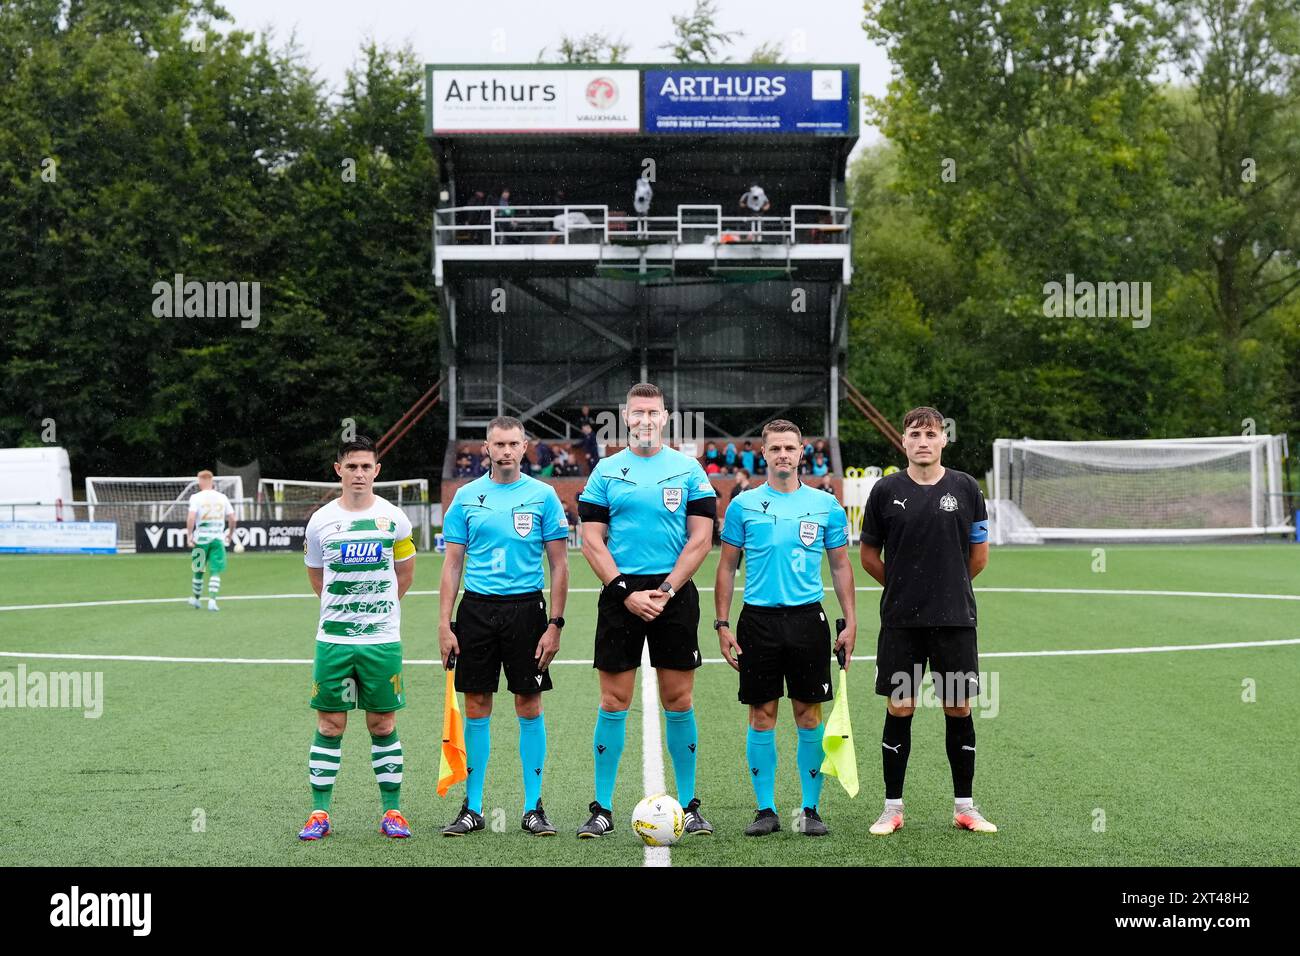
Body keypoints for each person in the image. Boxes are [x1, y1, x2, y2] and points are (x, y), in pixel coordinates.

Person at [575, 382, 717, 838]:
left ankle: (691, 805)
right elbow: (590, 540)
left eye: (653, 412)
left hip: (672, 592)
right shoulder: (606, 471)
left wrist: (668, 590)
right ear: (626, 418)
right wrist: (623, 592)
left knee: (679, 700)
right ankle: (601, 808)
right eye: (637, 413)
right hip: (621, 596)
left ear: (666, 417)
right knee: (614, 700)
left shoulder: (689, 469)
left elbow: (701, 539)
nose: (646, 420)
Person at [715, 420, 856, 836]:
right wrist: (723, 624)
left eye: (789, 448)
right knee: (762, 715)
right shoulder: (743, 505)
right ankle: (765, 810)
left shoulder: (825, 505)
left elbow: (841, 565)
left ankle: (810, 810)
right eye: (775, 448)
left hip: (808, 620)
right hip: (757, 621)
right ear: (763, 453)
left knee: (808, 715)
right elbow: (726, 567)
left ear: (801, 453)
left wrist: (850, 622)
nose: (782, 454)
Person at [859, 406, 995, 836]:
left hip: (954, 621)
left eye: (930, 434)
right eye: (915, 434)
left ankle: (965, 807)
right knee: (901, 706)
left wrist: (948, 587)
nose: (922, 441)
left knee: (958, 707)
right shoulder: (884, 491)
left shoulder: (966, 487)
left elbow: (979, 557)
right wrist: (903, 586)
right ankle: (891, 809)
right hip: (902, 624)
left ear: (942, 440)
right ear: (904, 441)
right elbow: (867, 556)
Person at [438, 417, 570, 837]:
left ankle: (534, 807)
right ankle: (473, 807)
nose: (507, 450)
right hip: (476, 611)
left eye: (514, 443)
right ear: (486, 447)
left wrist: (555, 624)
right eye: (500, 444)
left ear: (525, 446)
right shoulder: (465, 497)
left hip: (526, 611)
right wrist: (445, 623)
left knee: (528, 704)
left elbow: (559, 564)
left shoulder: (544, 496)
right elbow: (452, 564)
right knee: (477, 706)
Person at [299, 436, 417, 841]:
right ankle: (319, 812)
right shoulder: (320, 521)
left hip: (382, 640)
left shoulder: (395, 518)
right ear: (339, 470)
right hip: (332, 640)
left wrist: (375, 610)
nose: (360, 474)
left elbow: (405, 574)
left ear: (377, 471)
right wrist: (345, 610)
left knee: (383, 724)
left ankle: (392, 812)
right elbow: (318, 576)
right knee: (330, 725)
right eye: (352, 466)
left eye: (367, 466)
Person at [186, 470, 236, 611]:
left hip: (201, 539)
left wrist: (189, 535)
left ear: (201, 481)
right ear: (212, 481)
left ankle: (196, 599)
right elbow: (232, 518)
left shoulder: (196, 497)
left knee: (198, 569)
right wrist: (230, 534)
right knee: (215, 570)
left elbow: (191, 518)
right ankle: (212, 601)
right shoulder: (222, 497)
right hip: (217, 540)